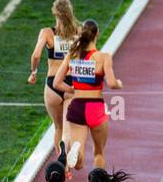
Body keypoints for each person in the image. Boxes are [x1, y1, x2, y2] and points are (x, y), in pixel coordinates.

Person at [52, 19, 122, 172]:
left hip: (76, 106)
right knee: (99, 153)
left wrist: (72, 89)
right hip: (95, 107)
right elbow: (111, 83)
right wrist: (119, 83)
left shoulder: (72, 55)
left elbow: (56, 83)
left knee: (78, 164)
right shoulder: (103, 57)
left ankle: (76, 150)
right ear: (97, 34)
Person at [28, 0, 82, 176]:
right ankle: (68, 158)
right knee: (68, 130)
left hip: (52, 85)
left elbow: (36, 55)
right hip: (71, 84)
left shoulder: (47, 33)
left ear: (54, 13)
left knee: (57, 127)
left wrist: (34, 72)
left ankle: (62, 168)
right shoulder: (79, 31)